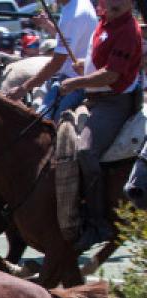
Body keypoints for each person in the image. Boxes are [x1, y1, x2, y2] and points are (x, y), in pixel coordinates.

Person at [64, 0, 141, 248]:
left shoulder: (128, 30)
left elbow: (112, 75)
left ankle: (98, 223)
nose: (113, 2)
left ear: (130, 3)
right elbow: (100, 63)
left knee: (86, 151)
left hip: (114, 103)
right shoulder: (104, 23)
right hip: (94, 99)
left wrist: (77, 82)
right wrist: (84, 68)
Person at [5, 0, 97, 120]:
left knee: (42, 124)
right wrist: (47, 24)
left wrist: (23, 89)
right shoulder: (77, 5)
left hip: (73, 81)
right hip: (68, 76)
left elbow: (57, 63)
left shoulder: (74, 15)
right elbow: (66, 39)